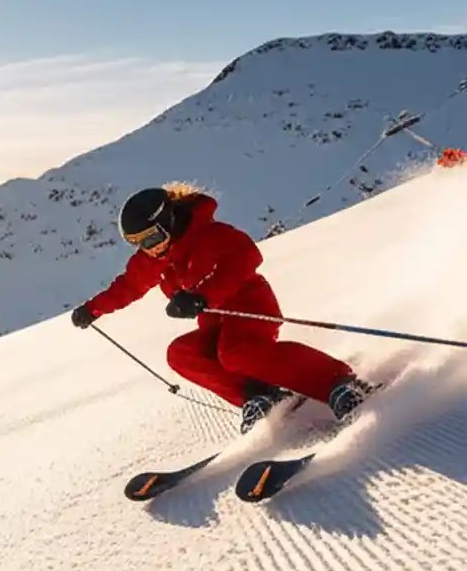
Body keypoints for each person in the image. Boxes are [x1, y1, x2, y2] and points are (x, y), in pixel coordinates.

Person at [70, 183, 373, 433]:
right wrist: (93, 309)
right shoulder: (153, 258)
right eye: (137, 242)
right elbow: (129, 286)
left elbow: (247, 255)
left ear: (168, 222)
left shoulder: (208, 234)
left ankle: (339, 383)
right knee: (181, 353)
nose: (149, 247)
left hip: (250, 308)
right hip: (215, 322)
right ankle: (260, 396)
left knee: (236, 352)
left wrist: (204, 296)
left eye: (152, 237)